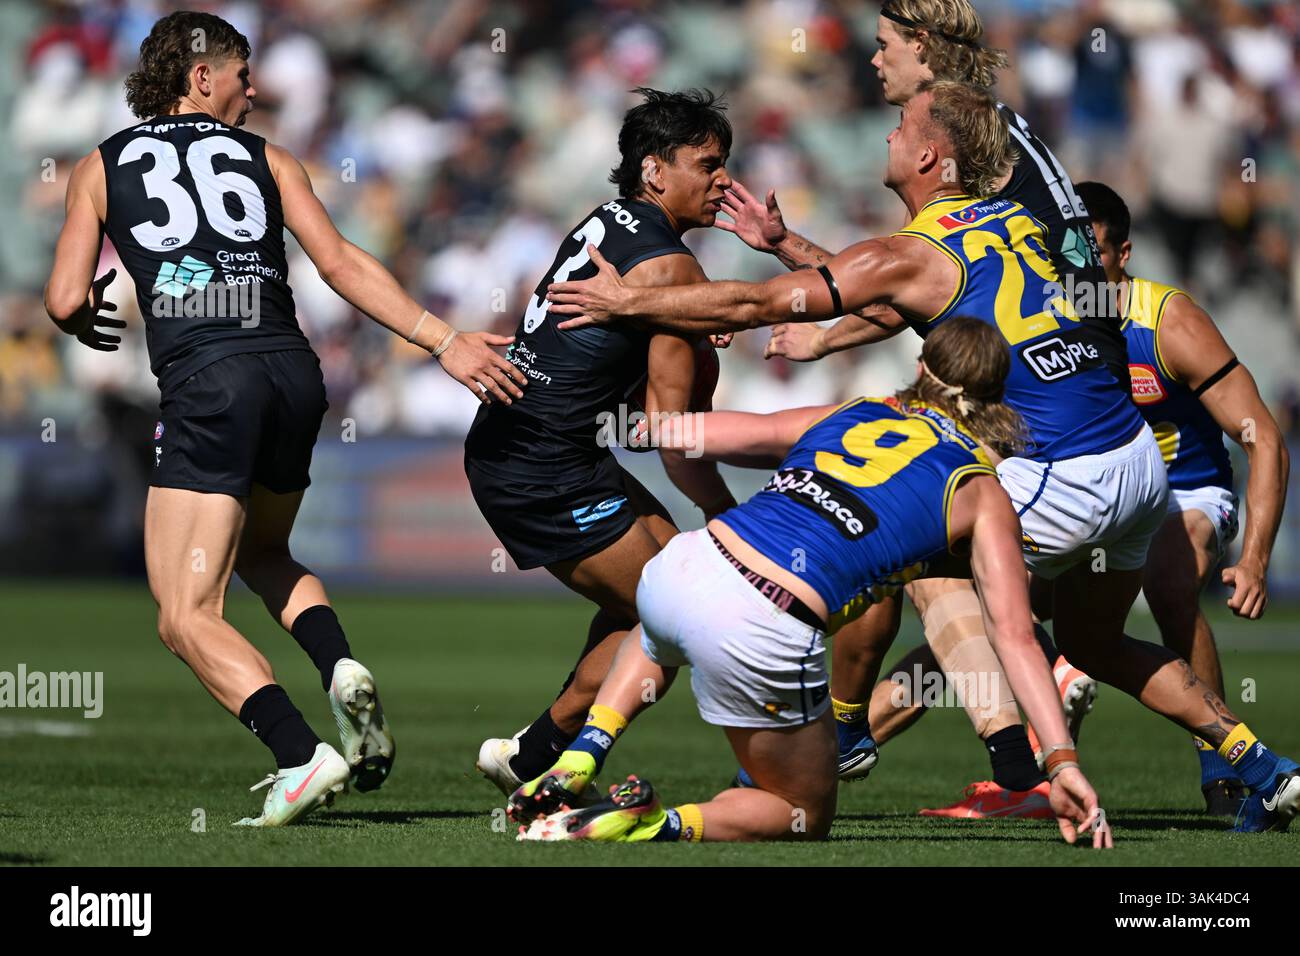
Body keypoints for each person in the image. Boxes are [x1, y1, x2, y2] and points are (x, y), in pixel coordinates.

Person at [546, 80, 1300, 833]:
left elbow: (766, 304)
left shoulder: (915, 255)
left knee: (896, 561)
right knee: (1095, 640)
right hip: (1135, 461)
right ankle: (1264, 769)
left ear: (931, 155)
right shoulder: (1010, 220)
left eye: (900, 126)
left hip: (1058, 471)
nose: (887, 136)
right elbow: (894, 290)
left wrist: (630, 304)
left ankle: (905, 741)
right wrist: (785, 246)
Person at [43, 11, 524, 826]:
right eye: (242, 71)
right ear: (200, 76)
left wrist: (80, 314)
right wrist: (441, 339)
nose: (255, 87)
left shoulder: (99, 164)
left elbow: (61, 298)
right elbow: (338, 263)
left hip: (208, 381)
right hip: (292, 372)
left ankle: (300, 754)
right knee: (264, 550)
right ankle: (339, 668)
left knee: (184, 613)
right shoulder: (270, 156)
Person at [722, 0, 1123, 808]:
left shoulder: (960, 134)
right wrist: (807, 289)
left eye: (883, 47)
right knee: (938, 563)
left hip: (1051, 402)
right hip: (1065, 385)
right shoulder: (984, 130)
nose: (872, 62)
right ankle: (890, 734)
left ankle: (1008, 727)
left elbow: (918, 281)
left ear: (925, 51)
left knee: (928, 544)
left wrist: (653, 306)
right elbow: (921, 287)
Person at [508, 318, 1108, 846]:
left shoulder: (857, 409)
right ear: (1001, 396)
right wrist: (1060, 763)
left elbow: (721, 433)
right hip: (764, 619)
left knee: (657, 634)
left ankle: (585, 752)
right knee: (800, 811)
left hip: (689, 564)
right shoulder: (983, 492)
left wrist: (630, 420)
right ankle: (647, 823)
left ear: (921, 368)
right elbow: (1016, 638)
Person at [469, 89, 737, 799]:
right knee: (674, 618)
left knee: (655, 594)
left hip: (529, 443)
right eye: (707, 164)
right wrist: (727, 517)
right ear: (654, 171)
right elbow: (671, 429)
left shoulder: (606, 222)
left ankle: (535, 753)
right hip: (546, 463)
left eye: (725, 165)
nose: (723, 181)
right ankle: (546, 763)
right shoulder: (674, 270)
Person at [1083, 180, 1290, 816]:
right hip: (1102, 491)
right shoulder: (1045, 313)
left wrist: (1253, 559)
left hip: (1188, 488)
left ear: (1124, 254)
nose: (1079, 268)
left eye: (1094, 253)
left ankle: (1224, 767)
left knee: (1171, 581)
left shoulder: (1169, 320)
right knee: (1002, 591)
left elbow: (1264, 438)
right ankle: (1030, 764)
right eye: (1067, 252)